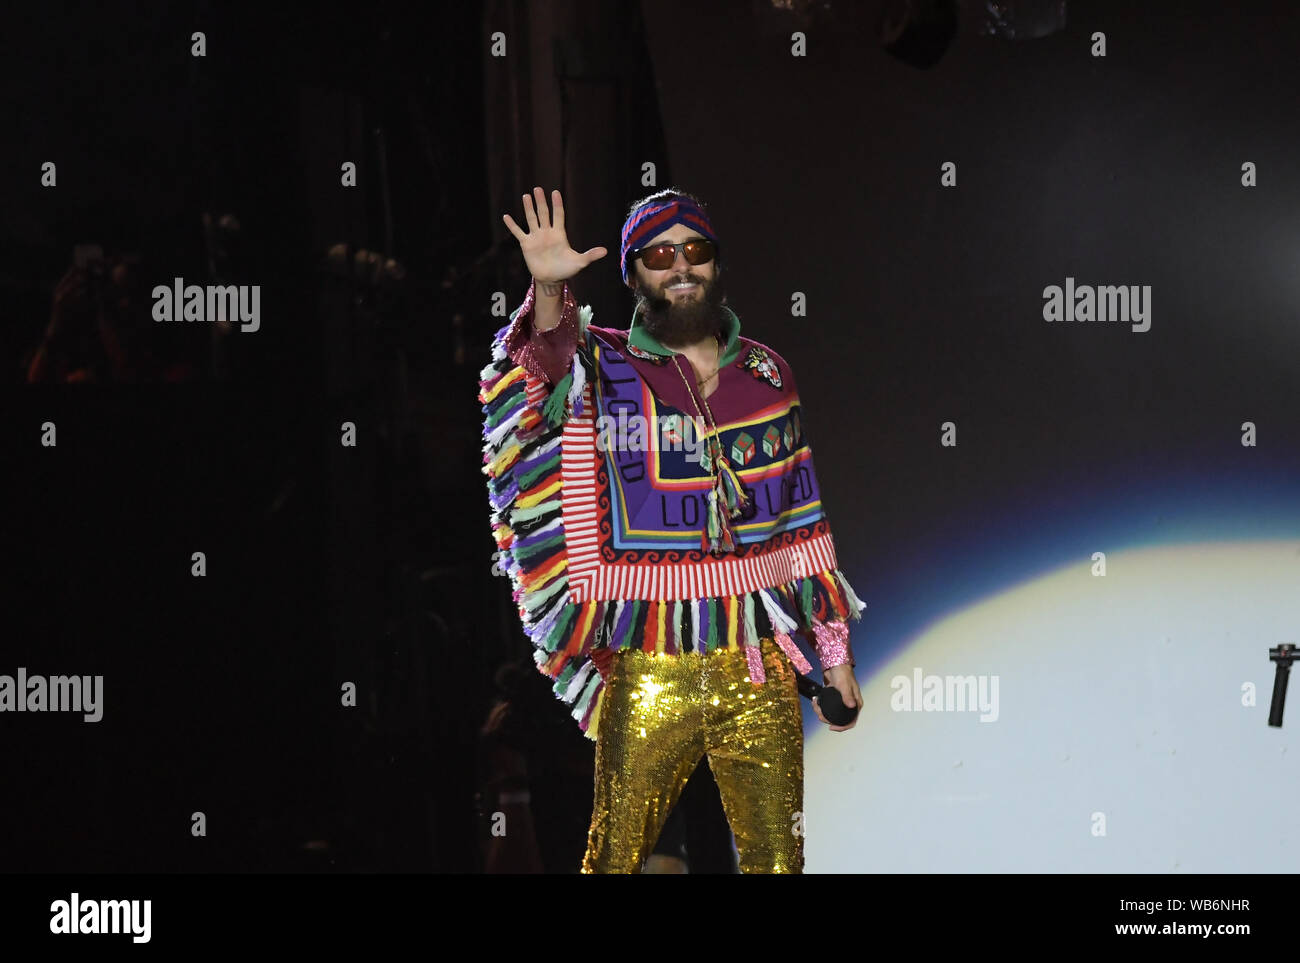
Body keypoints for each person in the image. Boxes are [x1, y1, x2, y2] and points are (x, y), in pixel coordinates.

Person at [480, 186, 866, 873]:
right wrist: (545, 289)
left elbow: (803, 519)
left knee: (781, 862)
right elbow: (542, 365)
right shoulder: (604, 368)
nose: (681, 265)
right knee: (613, 861)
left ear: (717, 266)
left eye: (697, 250)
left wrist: (835, 657)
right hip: (652, 662)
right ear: (633, 275)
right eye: (660, 253)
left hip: (758, 664)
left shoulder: (768, 374)